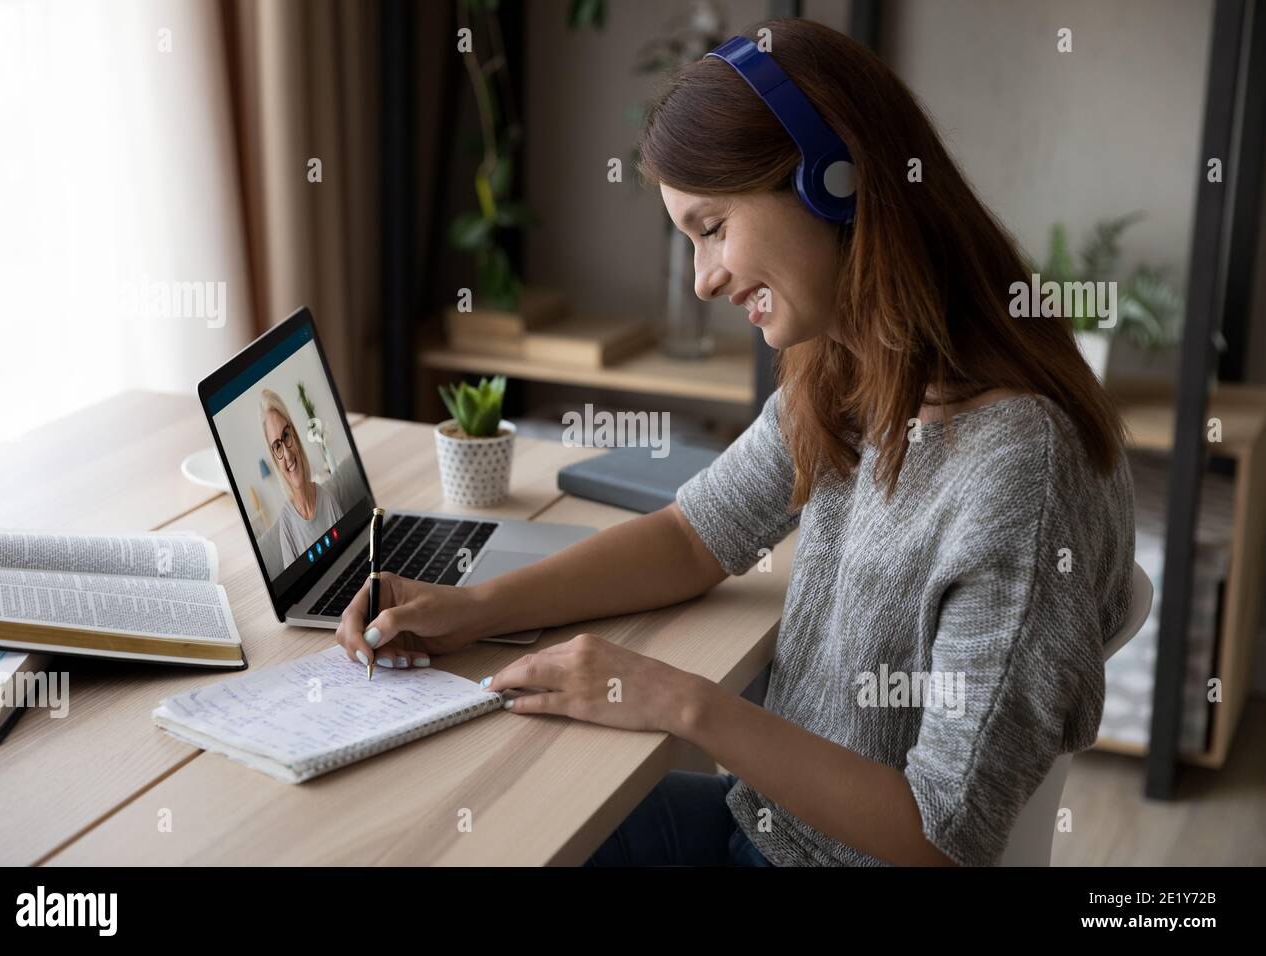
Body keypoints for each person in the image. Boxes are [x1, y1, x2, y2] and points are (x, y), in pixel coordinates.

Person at [335, 17, 1134, 867]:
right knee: (472, 823)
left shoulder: (1015, 466)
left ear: (837, 182)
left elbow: (944, 838)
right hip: (763, 828)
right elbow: (695, 534)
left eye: (713, 228)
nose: (704, 279)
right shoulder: (849, 367)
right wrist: (475, 609)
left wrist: (681, 703)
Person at [259, 388, 350, 571]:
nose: (287, 453)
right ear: (275, 460)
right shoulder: (286, 524)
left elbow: (349, 556)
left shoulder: (326, 498)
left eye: (286, 435)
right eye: (277, 446)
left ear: (295, 436)